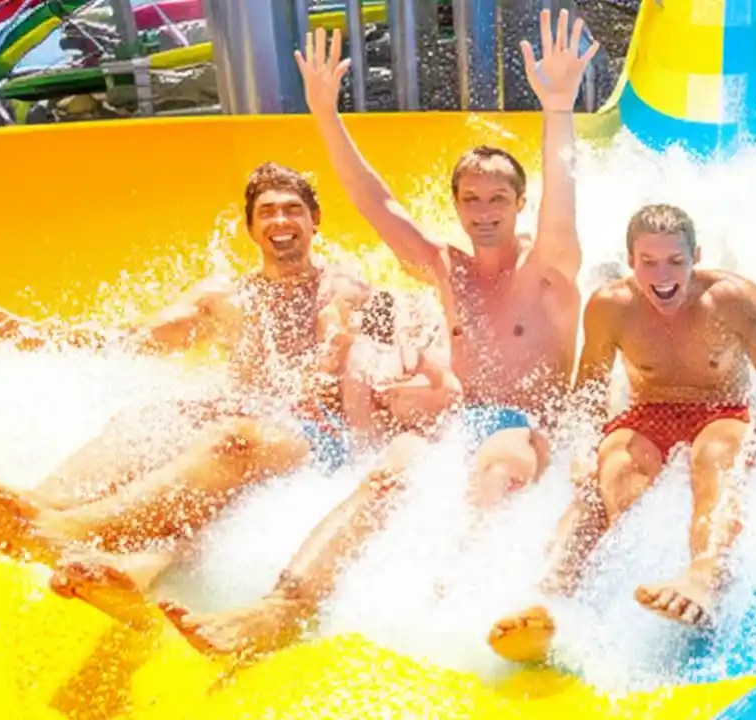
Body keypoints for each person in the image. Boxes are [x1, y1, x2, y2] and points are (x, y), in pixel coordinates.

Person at [156, 10, 599, 661]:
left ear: (518, 204)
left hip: (531, 429)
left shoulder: (549, 270)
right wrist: (324, 113)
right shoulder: (445, 268)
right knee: (388, 474)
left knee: (499, 462)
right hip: (461, 423)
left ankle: (478, 597)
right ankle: (284, 604)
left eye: (497, 199)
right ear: (454, 206)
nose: (483, 212)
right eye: (470, 200)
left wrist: (557, 106)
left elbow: (563, 197)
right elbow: (375, 203)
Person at [0, 163, 455, 623]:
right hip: (246, 425)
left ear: (315, 223)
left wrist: (324, 367)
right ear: (250, 228)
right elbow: (134, 340)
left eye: (293, 210)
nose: (281, 221)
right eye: (268, 212)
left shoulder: (339, 282)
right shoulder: (224, 298)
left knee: (230, 441)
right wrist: (37, 336)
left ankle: (52, 529)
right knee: (150, 419)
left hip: (312, 439)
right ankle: (55, 515)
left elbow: (341, 330)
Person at [486, 204, 756, 663]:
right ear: (631, 261)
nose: (662, 275)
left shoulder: (734, 300)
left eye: (675, 262)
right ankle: (549, 596)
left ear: (695, 256)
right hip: (648, 412)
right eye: (649, 262)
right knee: (609, 475)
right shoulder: (611, 306)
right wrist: (582, 451)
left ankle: (705, 575)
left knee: (716, 458)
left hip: (720, 409)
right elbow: (589, 392)